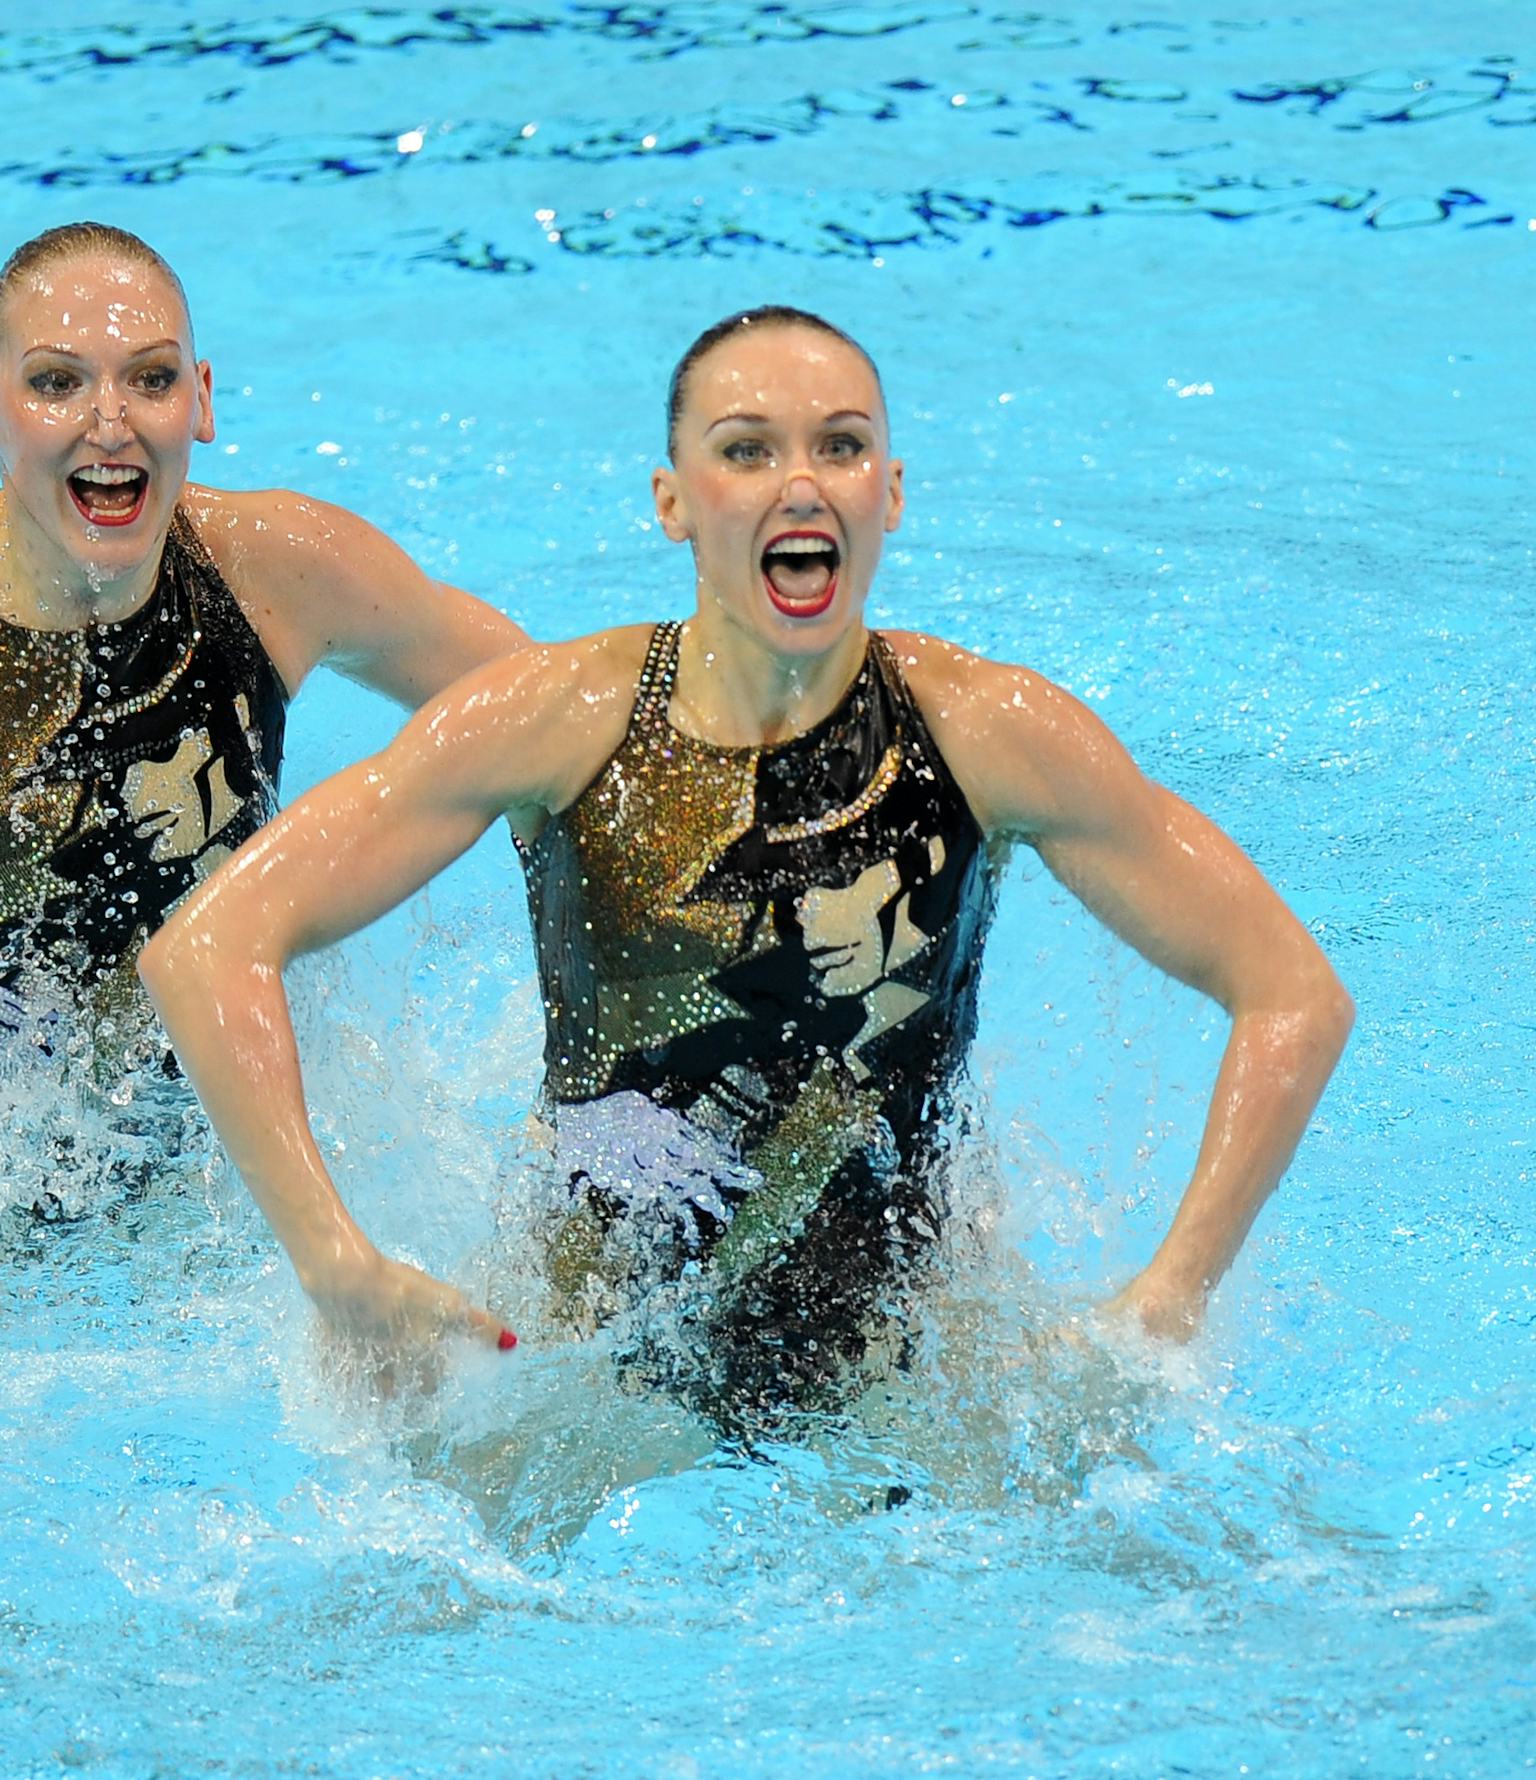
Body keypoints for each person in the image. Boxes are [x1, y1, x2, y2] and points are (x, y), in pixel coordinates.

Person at [140, 305, 1354, 1414]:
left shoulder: (990, 734)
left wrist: (1167, 1301)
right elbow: (209, 950)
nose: (800, 484)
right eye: (748, 450)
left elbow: (1291, 993)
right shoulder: (560, 719)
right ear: (673, 501)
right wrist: (339, 1269)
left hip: (900, 1368)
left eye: (840, 446)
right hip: (590, 1368)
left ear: (891, 492)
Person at [0, 221, 527, 1056]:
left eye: (152, 377)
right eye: (56, 382)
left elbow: (557, 711)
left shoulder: (272, 571)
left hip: (228, 1111)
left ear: (201, 400)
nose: (110, 421)